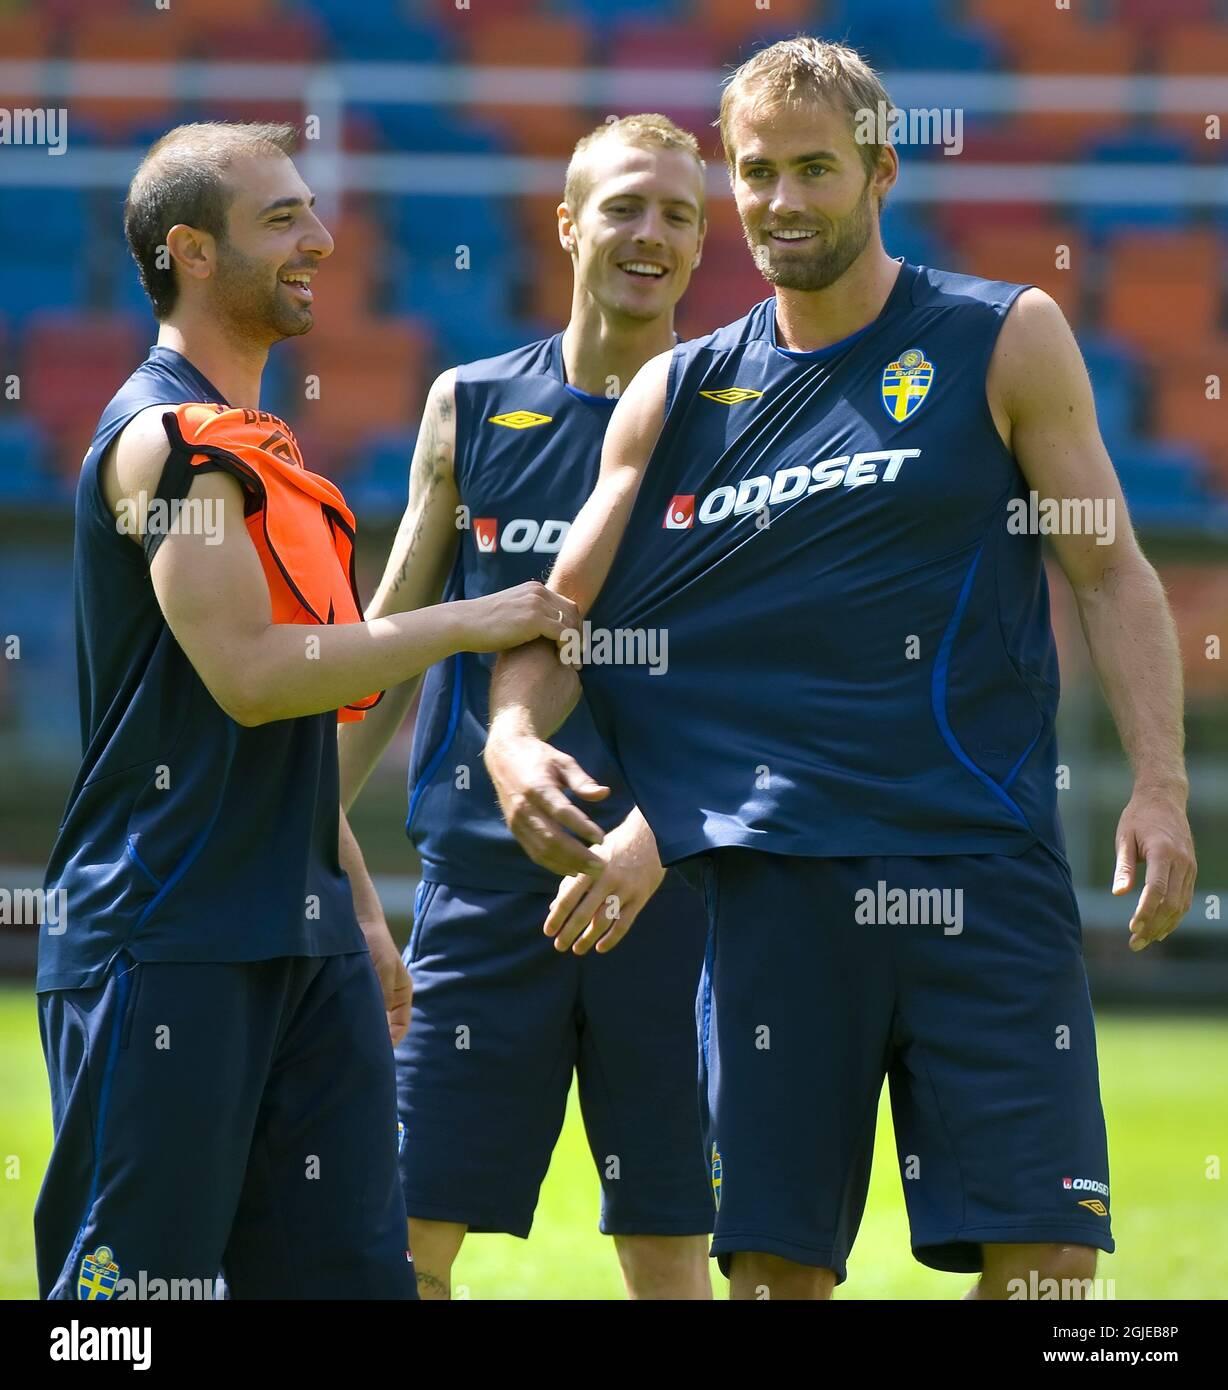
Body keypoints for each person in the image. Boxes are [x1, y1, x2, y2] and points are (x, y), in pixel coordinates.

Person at [482, 40, 1197, 1301]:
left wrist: (1157, 787)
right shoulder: (677, 394)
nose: (780, 201)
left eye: (814, 168)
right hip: (772, 892)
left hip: (979, 864)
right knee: (769, 1274)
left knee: (1049, 1266)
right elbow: (558, 613)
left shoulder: (1000, 335)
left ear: (880, 170)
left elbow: (1110, 573)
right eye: (755, 172)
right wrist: (511, 736)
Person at [35, 122, 576, 1301]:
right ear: (187, 251)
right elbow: (254, 674)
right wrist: (465, 623)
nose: (321, 240)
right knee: (129, 1301)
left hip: (304, 939)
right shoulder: (164, 445)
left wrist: (359, 909)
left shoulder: (264, 453)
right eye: (280, 218)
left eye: (311, 212)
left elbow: (286, 730)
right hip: (167, 934)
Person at [340, 115, 716, 1301]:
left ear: (705, 244)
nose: (648, 233)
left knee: (668, 1252)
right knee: (398, 1243)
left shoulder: (748, 421)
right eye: (623, 206)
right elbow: (391, 637)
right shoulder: (468, 404)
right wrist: (308, 816)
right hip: (483, 887)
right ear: (567, 224)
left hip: (676, 886)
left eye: (677, 213)